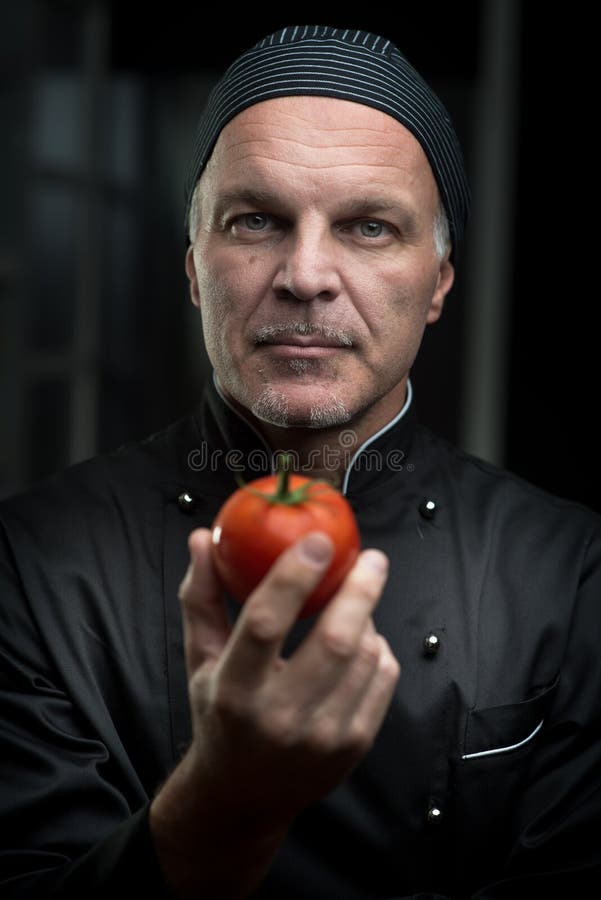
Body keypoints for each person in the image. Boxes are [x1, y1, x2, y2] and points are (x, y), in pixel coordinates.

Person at [1, 23, 599, 900]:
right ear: (196, 268)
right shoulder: (32, 563)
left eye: (367, 226)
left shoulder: (566, 570)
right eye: (255, 220)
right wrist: (223, 805)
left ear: (437, 281)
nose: (306, 274)